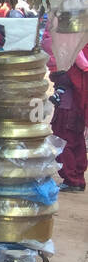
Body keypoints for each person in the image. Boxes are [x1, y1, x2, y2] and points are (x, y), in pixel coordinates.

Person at [52, 48, 88, 191]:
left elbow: (68, 79)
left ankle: (72, 180)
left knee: (64, 143)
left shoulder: (75, 55)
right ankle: (77, 179)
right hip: (78, 108)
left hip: (68, 108)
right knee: (77, 142)